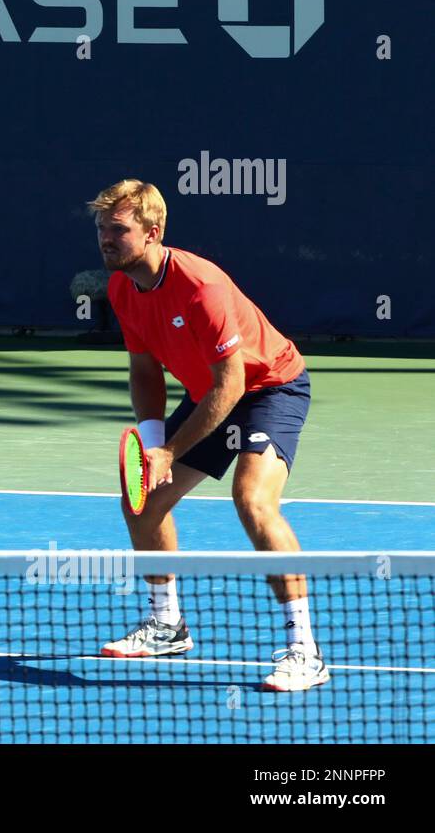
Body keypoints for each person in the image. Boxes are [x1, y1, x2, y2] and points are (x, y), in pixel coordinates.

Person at [89, 179, 324, 692]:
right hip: (211, 391)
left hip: (269, 387)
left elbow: (232, 382)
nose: (106, 239)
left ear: (153, 233)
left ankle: (305, 650)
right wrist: (155, 445)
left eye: (119, 230)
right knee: (141, 500)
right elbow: (145, 372)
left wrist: (173, 449)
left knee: (253, 501)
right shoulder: (121, 289)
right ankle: (167, 625)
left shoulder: (200, 288)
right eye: (102, 229)